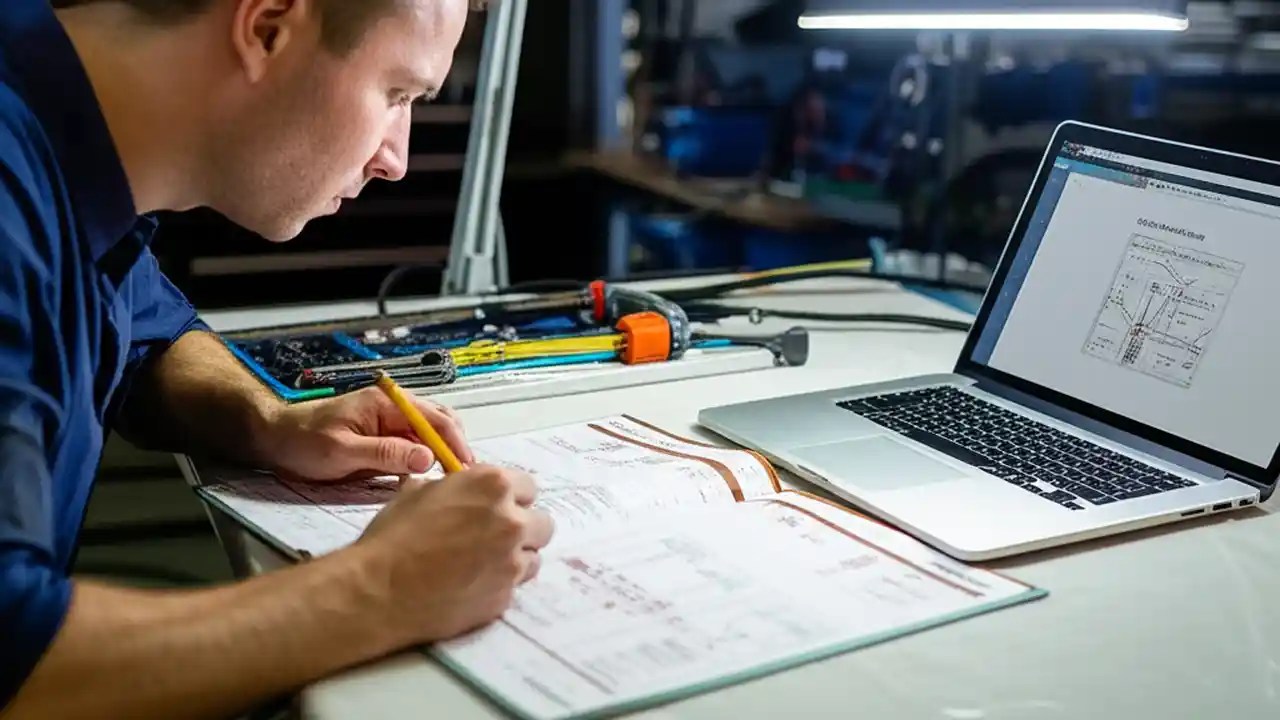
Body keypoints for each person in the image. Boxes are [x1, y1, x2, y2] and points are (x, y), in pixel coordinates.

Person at [0, 0, 555, 717]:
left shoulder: (67, 126)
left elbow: (145, 327)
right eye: (396, 94)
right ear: (267, 29)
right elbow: (16, 662)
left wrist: (271, 420)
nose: (395, 160)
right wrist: (385, 587)